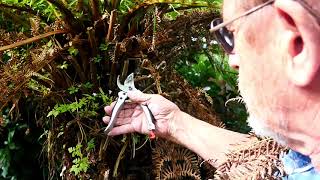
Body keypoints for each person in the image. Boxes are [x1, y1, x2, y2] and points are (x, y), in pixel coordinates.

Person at [103, 0, 320, 178]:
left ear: (298, 41)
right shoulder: (305, 158)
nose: (232, 61)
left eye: (230, 34)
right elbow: (266, 161)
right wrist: (172, 121)